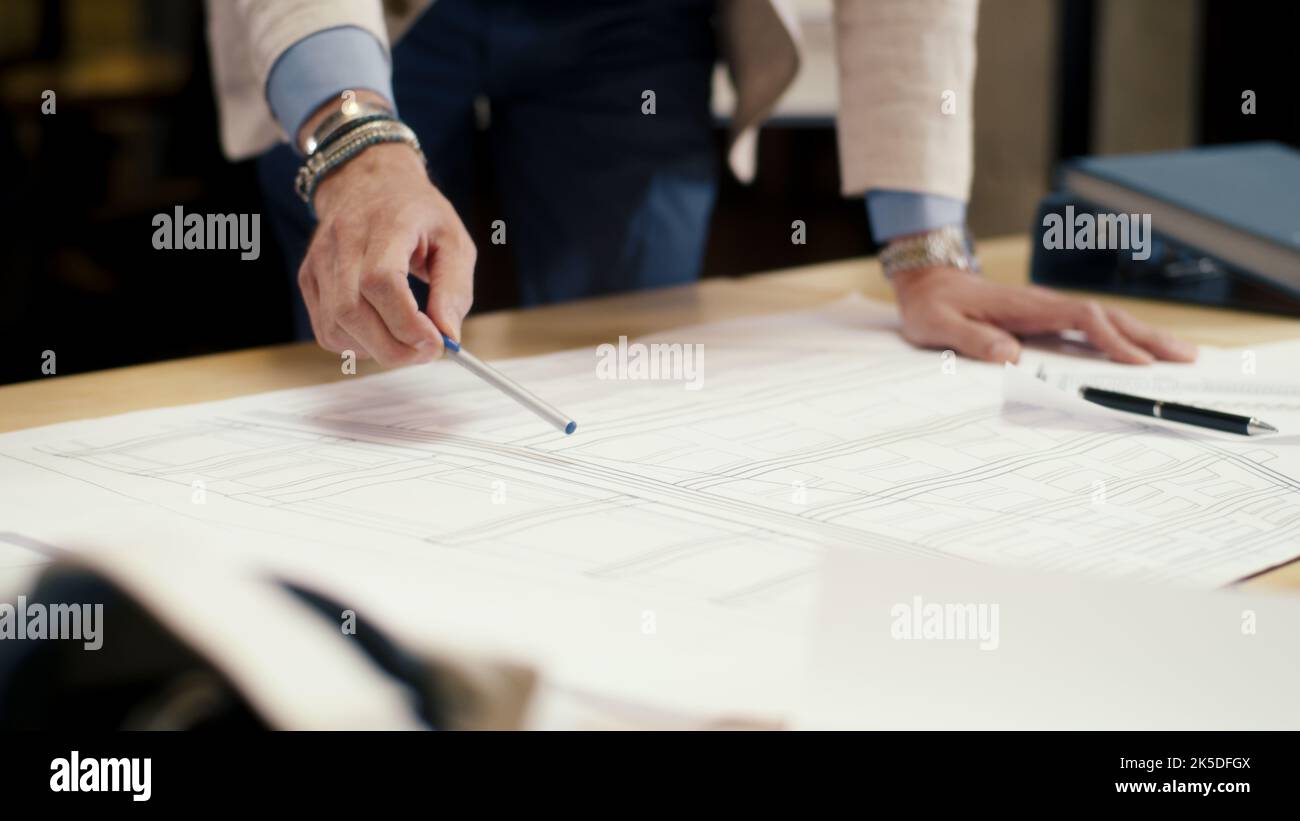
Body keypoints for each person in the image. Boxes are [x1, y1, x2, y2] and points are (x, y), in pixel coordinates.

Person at [206, 0, 1197, 368]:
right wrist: (358, 145)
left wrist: (926, 251)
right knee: (368, 330)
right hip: (368, 16)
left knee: (629, 360)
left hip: (633, 24)